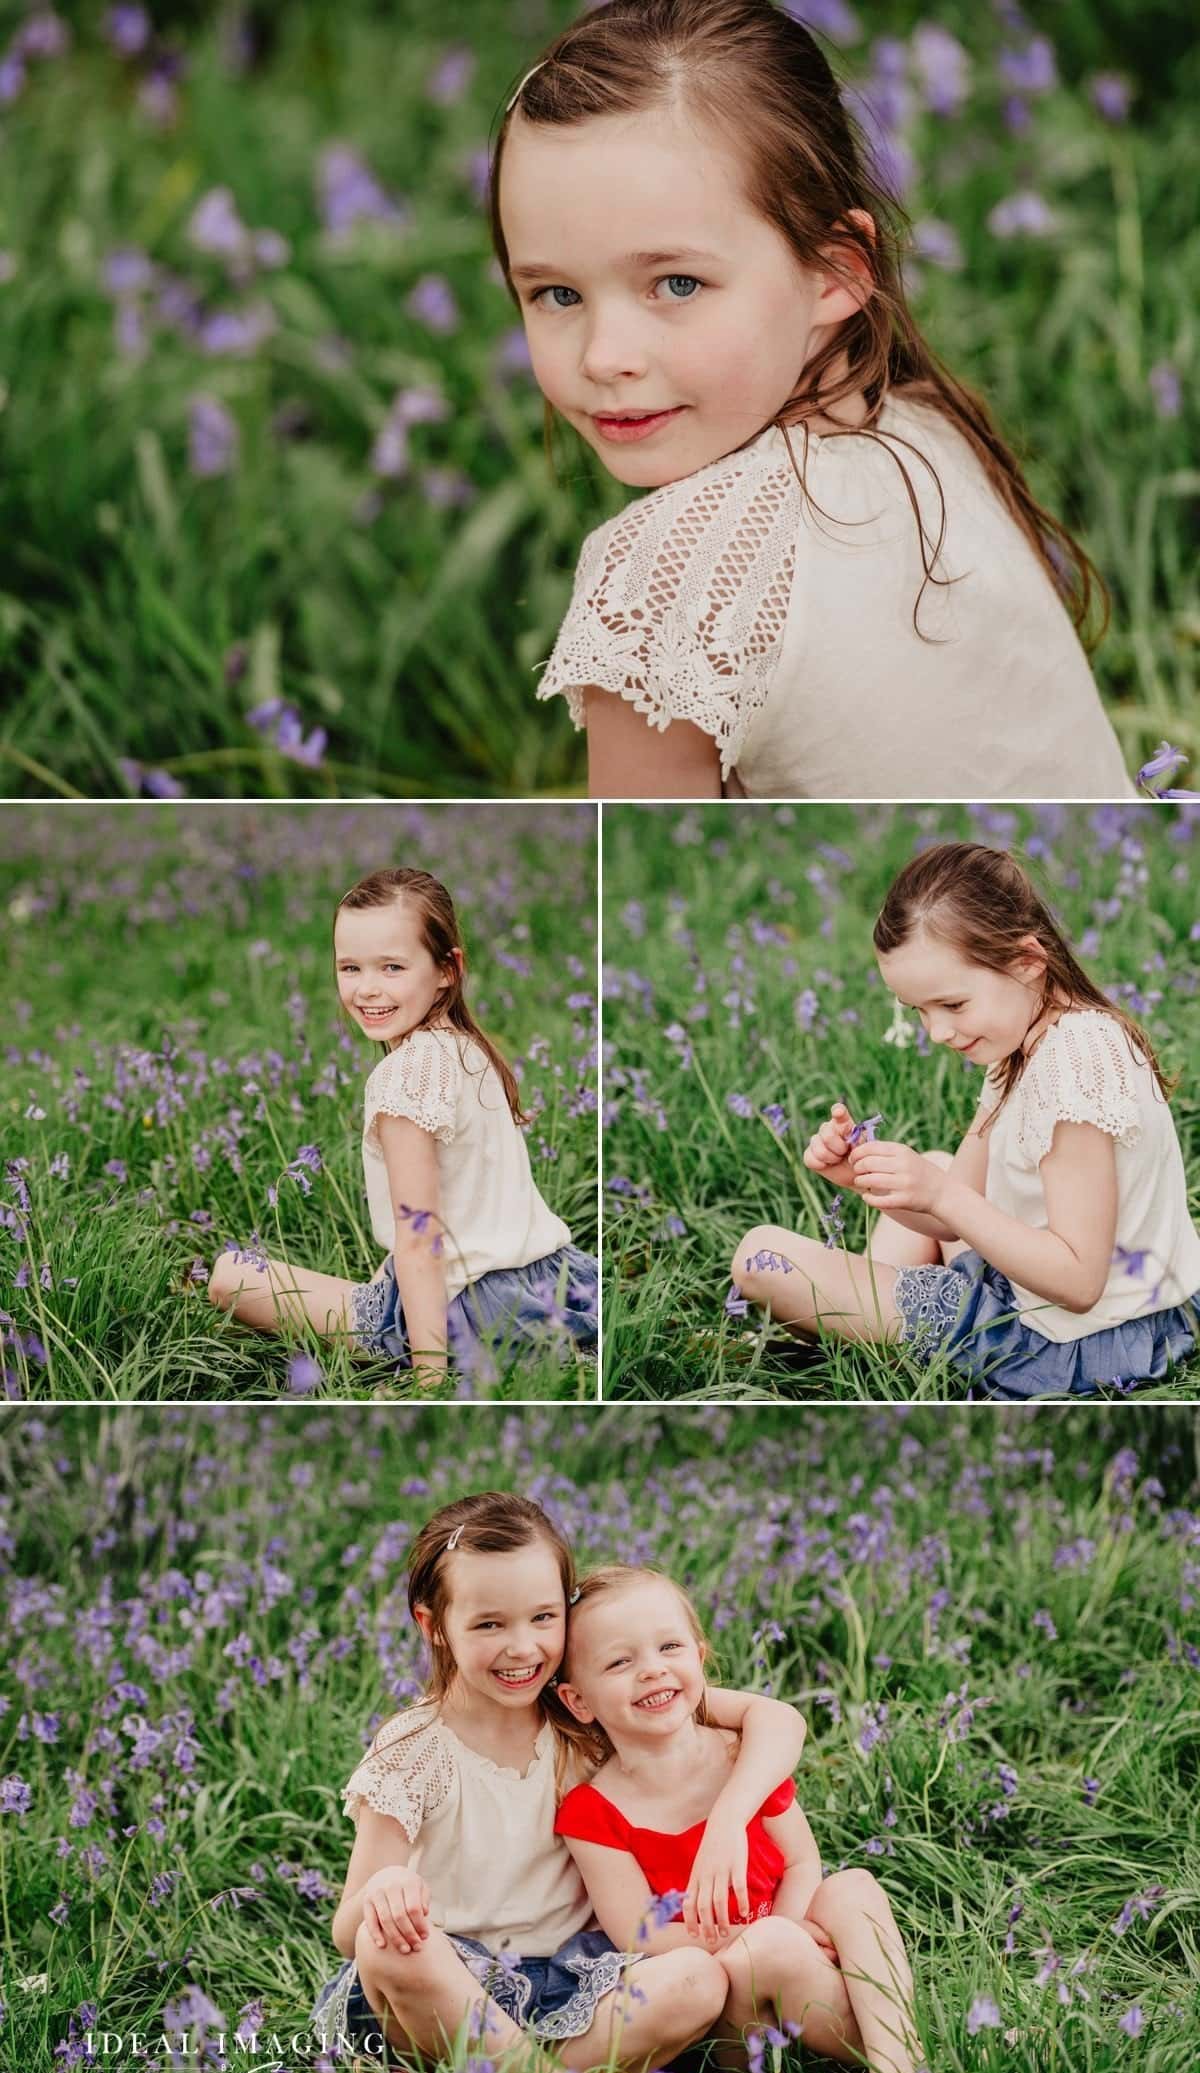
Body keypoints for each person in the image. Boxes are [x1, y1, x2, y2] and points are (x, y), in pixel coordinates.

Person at [489, 0, 1138, 801]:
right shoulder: (927, 427)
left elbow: (625, 872)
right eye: (556, 294)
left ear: (835, 272)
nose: (604, 357)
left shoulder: (666, 577)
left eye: (677, 283)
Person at [312, 1493, 809, 2073]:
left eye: (544, 1618)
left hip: (580, 1981)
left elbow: (776, 1719)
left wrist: (731, 1818)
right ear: (434, 1626)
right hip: (445, 1994)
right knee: (381, 1943)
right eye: (490, 1624)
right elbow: (346, 1927)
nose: (523, 1648)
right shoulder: (415, 1749)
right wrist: (386, 1893)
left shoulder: (588, 1712)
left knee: (697, 1980)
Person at [730, 842, 1200, 1398]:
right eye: (919, 1011)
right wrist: (867, 1181)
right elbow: (951, 1216)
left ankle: (861, 1327)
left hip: (1077, 1343)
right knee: (935, 1167)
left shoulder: (1075, 1062)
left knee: (759, 1257)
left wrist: (940, 1196)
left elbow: (1079, 1282)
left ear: (1028, 961)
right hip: (1077, 1303)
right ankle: (869, 1324)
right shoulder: (1026, 1040)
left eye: (952, 1005)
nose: (937, 1033)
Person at [554, 1565, 921, 2073]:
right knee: (771, 1946)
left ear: (700, 1657)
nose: (652, 1668)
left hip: (797, 1952)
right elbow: (636, 1934)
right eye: (619, 1662)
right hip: (728, 2007)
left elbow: (801, 1862)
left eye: (670, 1646)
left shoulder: (739, 1756)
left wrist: (794, 1926)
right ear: (578, 1700)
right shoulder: (593, 1811)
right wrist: (758, 1939)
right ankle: (898, 2046)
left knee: (852, 1884)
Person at [207, 867, 596, 1385]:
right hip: (557, 1279)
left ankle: (458, 1354)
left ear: (446, 969)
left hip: (474, 1308)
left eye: (392, 967)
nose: (367, 989)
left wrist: (427, 1378)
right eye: (350, 968)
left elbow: (419, 1240)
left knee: (228, 1277)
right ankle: (563, 1347)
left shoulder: (406, 1080)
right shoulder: (467, 1046)